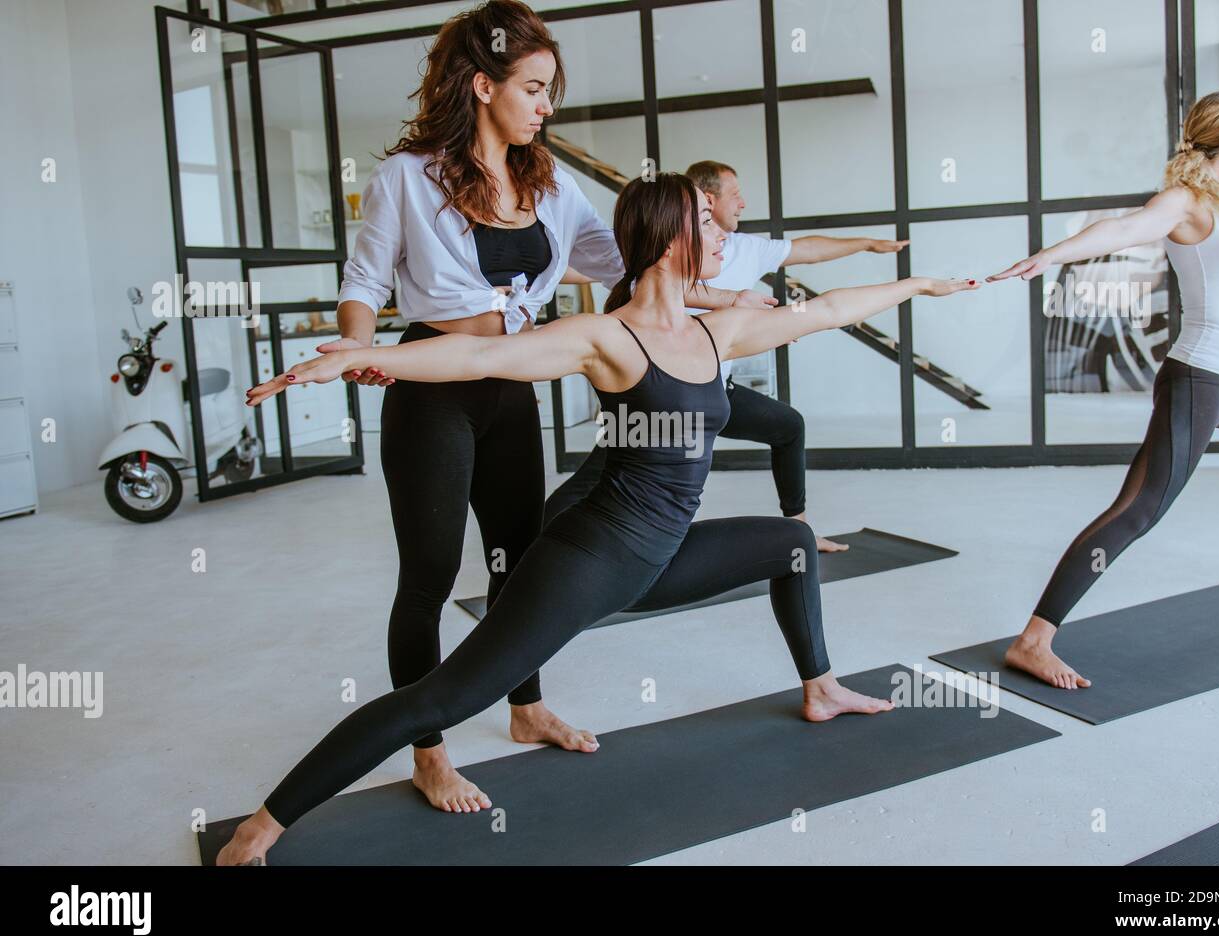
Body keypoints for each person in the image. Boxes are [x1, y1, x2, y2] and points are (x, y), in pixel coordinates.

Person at [217, 172, 976, 864]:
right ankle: (266, 824)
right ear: (673, 238)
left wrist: (915, 284)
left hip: (662, 557)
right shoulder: (607, 338)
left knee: (795, 544)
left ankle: (821, 686)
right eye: (710, 227)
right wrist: (352, 357)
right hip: (590, 562)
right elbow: (475, 360)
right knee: (442, 697)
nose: (724, 240)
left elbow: (830, 309)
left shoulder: (718, 331)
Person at [327, 0, 769, 813]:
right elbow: (363, 284)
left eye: (550, 89)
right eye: (533, 87)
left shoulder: (553, 184)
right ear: (482, 84)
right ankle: (427, 748)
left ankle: (524, 707)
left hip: (511, 392)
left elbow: (631, 262)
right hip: (431, 391)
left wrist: (729, 291)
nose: (546, 105)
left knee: (516, 558)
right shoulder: (405, 179)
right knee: (427, 575)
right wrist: (357, 348)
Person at [989, 89, 1219, 690]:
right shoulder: (1188, 202)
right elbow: (1123, 228)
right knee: (1138, 510)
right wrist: (1047, 257)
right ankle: (1033, 640)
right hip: (1199, 382)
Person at [546, 160, 909, 553]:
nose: (742, 203)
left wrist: (869, 245)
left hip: (715, 387)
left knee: (787, 426)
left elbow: (810, 254)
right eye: (733, 196)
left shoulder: (745, 249)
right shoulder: (669, 254)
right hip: (661, 393)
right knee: (605, 476)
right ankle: (541, 550)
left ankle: (799, 529)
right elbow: (641, 280)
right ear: (707, 200)